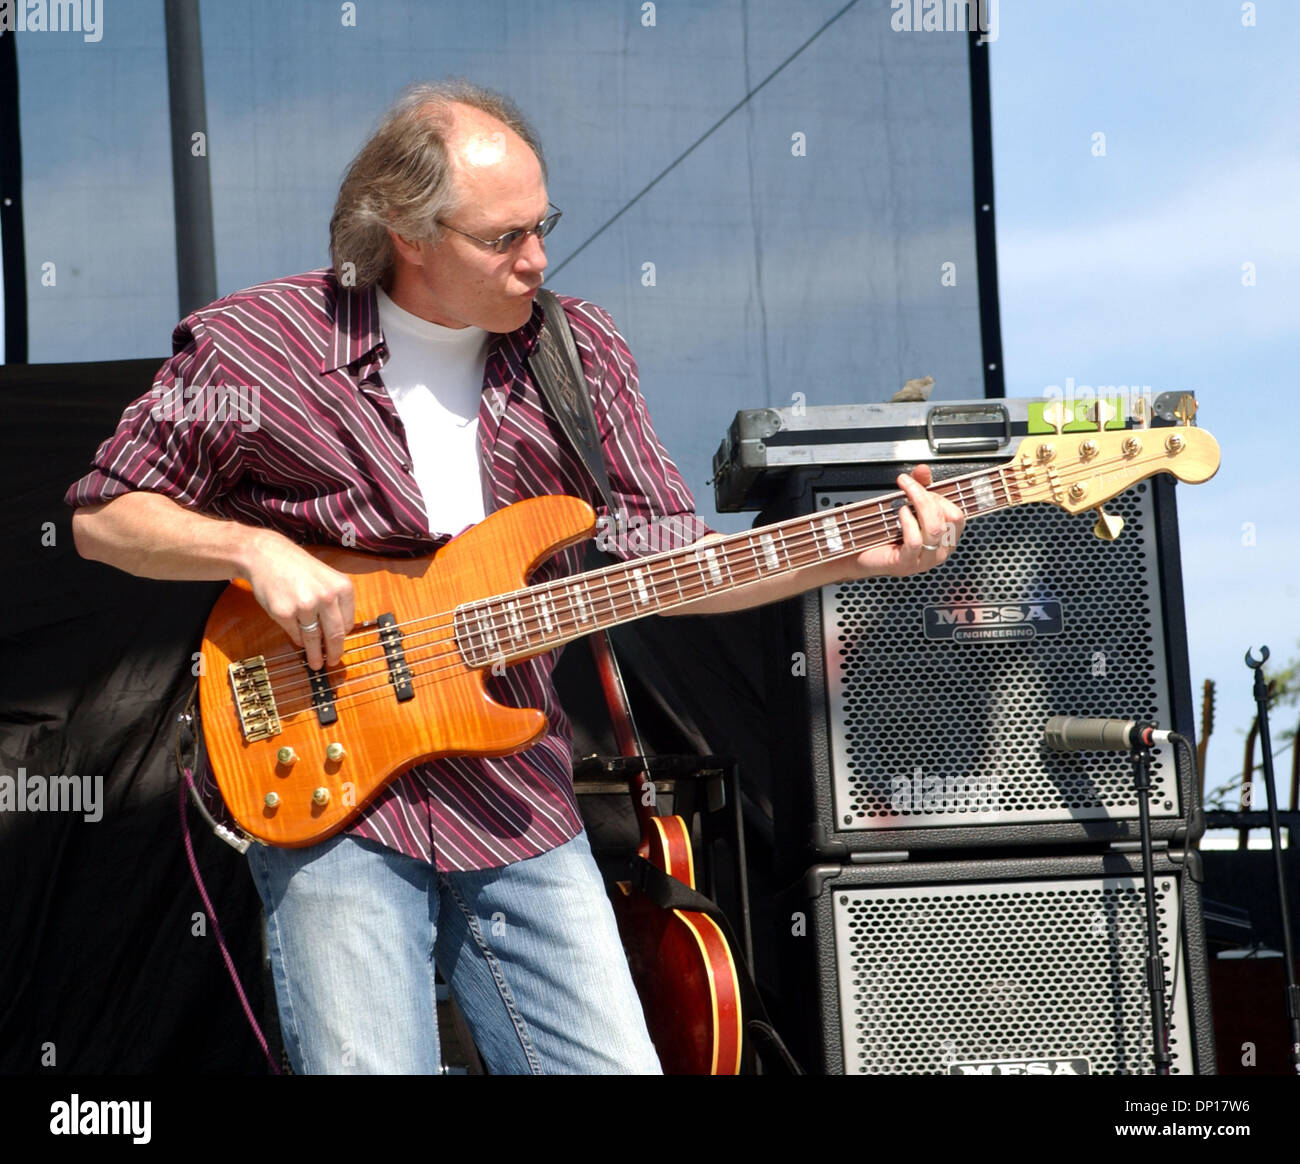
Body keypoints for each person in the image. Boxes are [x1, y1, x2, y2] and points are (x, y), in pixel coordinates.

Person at [66, 80, 965, 1074]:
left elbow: (662, 559)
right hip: (333, 792)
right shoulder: (257, 345)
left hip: (516, 798)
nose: (536, 258)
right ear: (407, 233)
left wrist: (846, 552)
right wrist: (255, 552)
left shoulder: (575, 350)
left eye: (543, 226)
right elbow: (107, 515)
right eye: (503, 238)